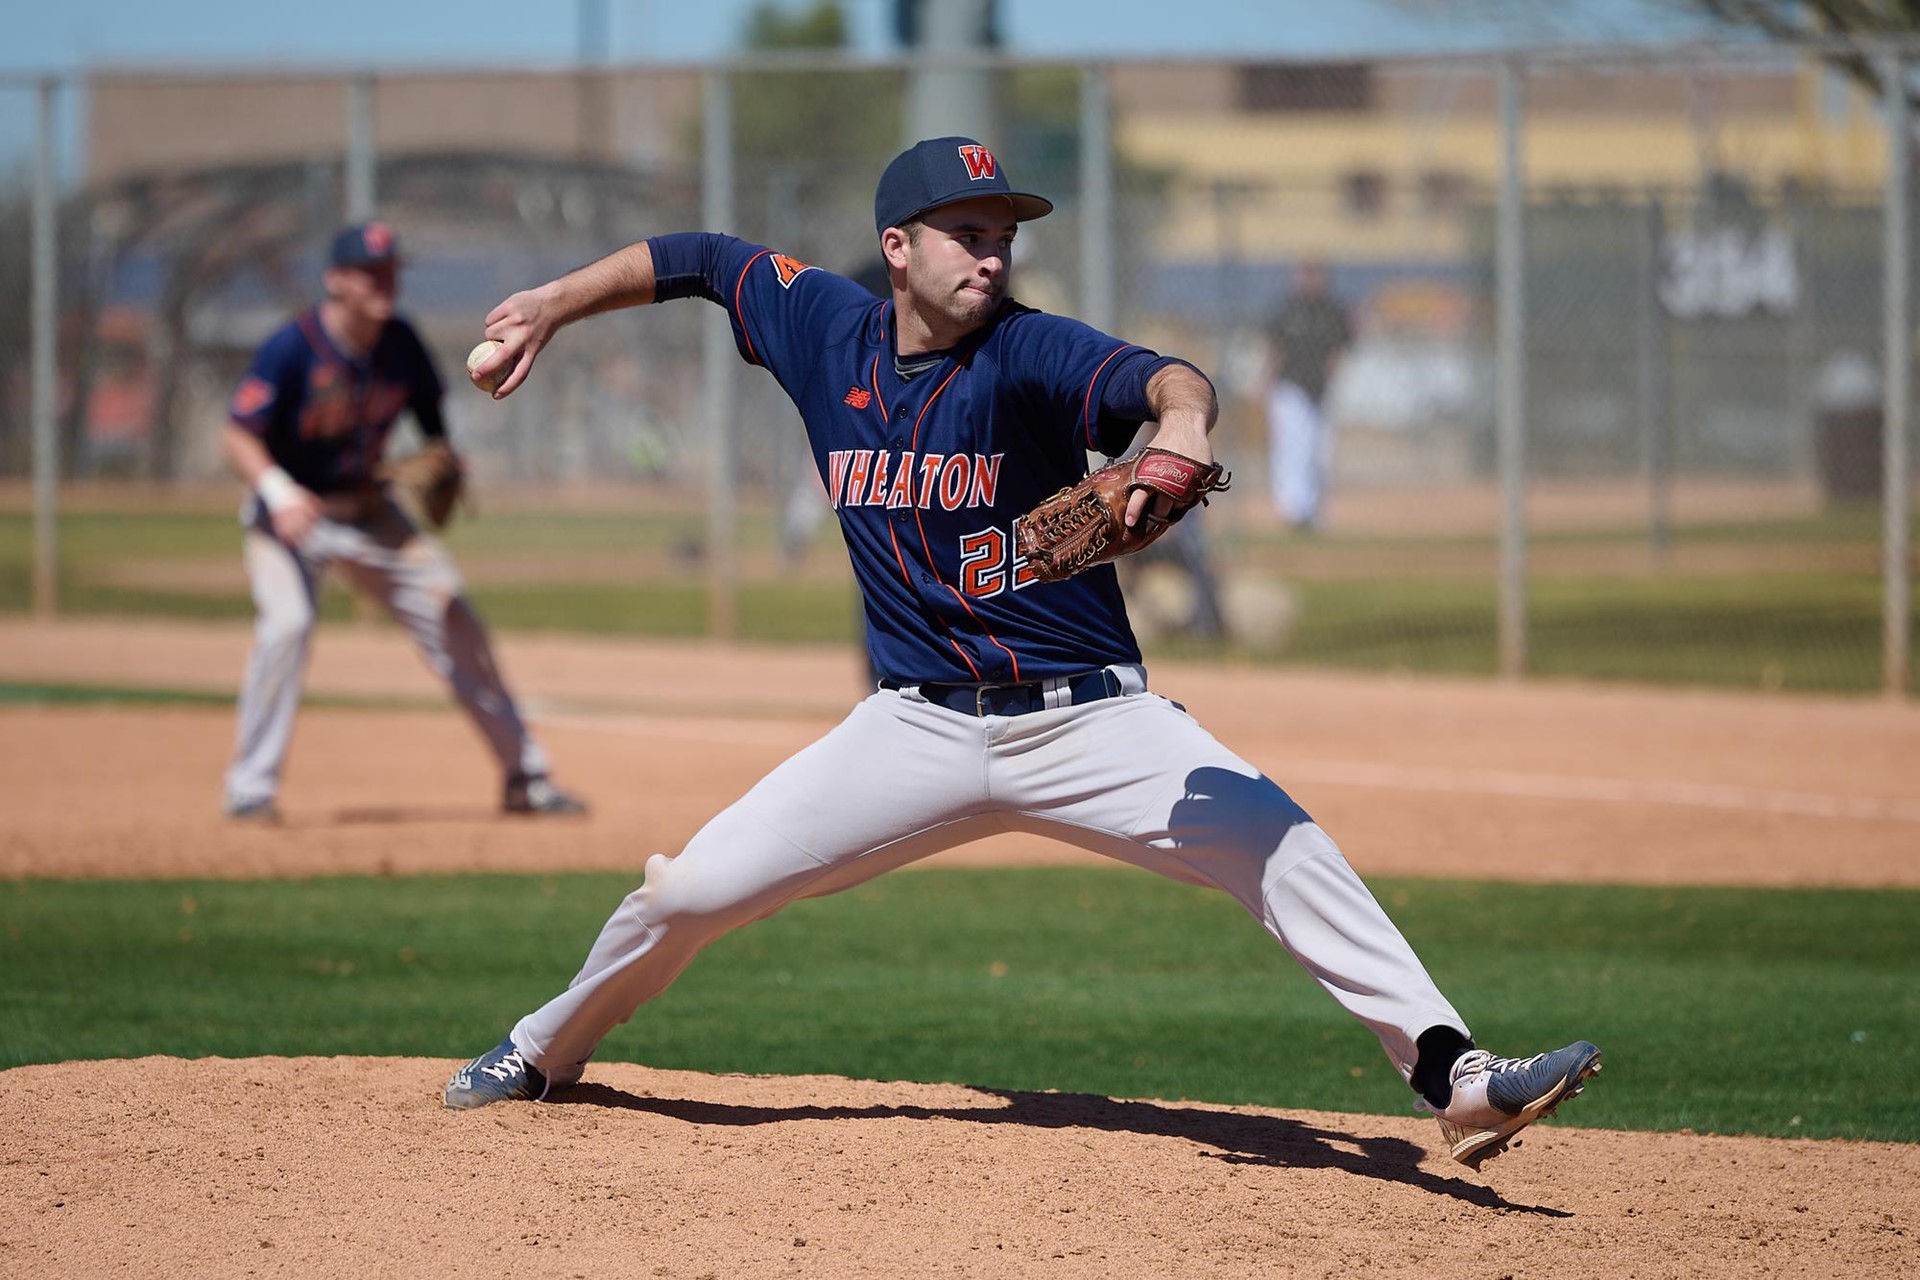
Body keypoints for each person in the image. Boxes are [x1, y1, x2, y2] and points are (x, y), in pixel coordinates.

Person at [442, 139, 1599, 1169]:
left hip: (1092, 722)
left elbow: (1164, 379)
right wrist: (552, 300)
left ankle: (1455, 1075)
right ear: (897, 247)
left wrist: (1183, 427)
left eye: (1001, 236)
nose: (990, 257)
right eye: (965, 235)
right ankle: (545, 1047)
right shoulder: (819, 325)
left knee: (1279, 839)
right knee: (692, 889)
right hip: (917, 725)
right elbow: (695, 254)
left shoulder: (1032, 350)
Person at [219, 222, 587, 822]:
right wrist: (279, 491)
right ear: (335, 279)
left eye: (391, 271)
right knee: (286, 626)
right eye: (370, 271)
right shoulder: (294, 347)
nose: (385, 282)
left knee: (456, 621)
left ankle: (527, 777)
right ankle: (250, 789)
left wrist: (446, 460)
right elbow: (238, 435)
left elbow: (432, 430)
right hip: (292, 516)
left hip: (369, 510)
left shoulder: (402, 344)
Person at [1265, 259, 1352, 531]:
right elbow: (1274, 348)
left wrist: (1331, 378)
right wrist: (1267, 381)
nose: (1310, 280)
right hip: (1290, 387)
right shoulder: (1288, 310)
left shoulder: (1331, 311)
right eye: (1306, 274)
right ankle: (1292, 509)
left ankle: (1312, 510)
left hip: (1320, 391)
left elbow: (1340, 348)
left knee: (1319, 451)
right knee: (1291, 448)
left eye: (1316, 275)